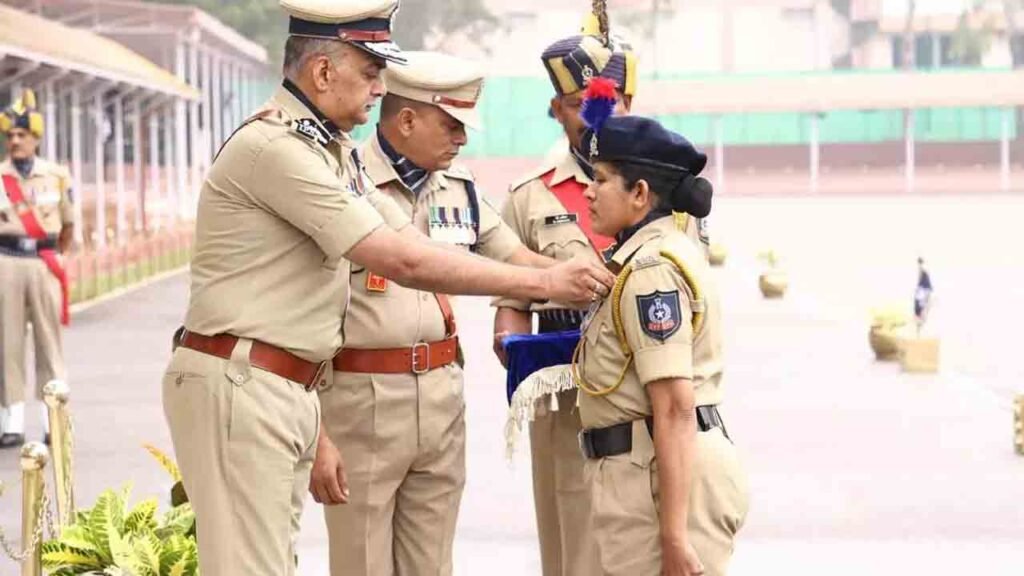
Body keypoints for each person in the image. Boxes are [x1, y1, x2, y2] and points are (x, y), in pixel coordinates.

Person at [161, 2, 614, 575]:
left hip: (283, 385)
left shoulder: (332, 153)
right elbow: (402, 260)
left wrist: (566, 278)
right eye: (371, 70)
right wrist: (546, 281)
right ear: (323, 72)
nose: (380, 87)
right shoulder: (276, 150)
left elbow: (420, 246)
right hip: (250, 381)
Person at [314, 50, 553, 576]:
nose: (462, 139)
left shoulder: (459, 190)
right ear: (406, 119)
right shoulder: (339, 182)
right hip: (360, 402)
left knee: (432, 565)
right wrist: (318, 435)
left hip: (441, 398)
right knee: (362, 565)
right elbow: (298, 314)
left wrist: (601, 277)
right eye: (452, 125)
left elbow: (522, 262)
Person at [490, 22, 710, 576]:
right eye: (573, 105)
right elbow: (507, 296)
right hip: (564, 394)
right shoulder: (529, 193)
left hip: (653, 388)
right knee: (571, 540)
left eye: (600, 102)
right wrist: (511, 343)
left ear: (623, 101)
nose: (590, 116)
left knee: (657, 524)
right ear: (556, 111)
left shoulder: (666, 187)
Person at [571, 113, 748, 576]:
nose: (589, 191)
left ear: (641, 194)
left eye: (603, 180)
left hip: (659, 483)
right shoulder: (647, 256)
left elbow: (673, 407)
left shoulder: (652, 271)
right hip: (646, 475)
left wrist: (673, 535)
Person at [0, 88, 74, 449]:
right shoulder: (0, 176)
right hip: (7, 261)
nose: (15, 141)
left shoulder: (56, 176)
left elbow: (69, 225)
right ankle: (11, 422)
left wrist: (55, 256)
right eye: (10, 136)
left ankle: (51, 421)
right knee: (6, 343)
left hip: (43, 262)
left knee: (49, 345)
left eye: (21, 135)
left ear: (36, 139)